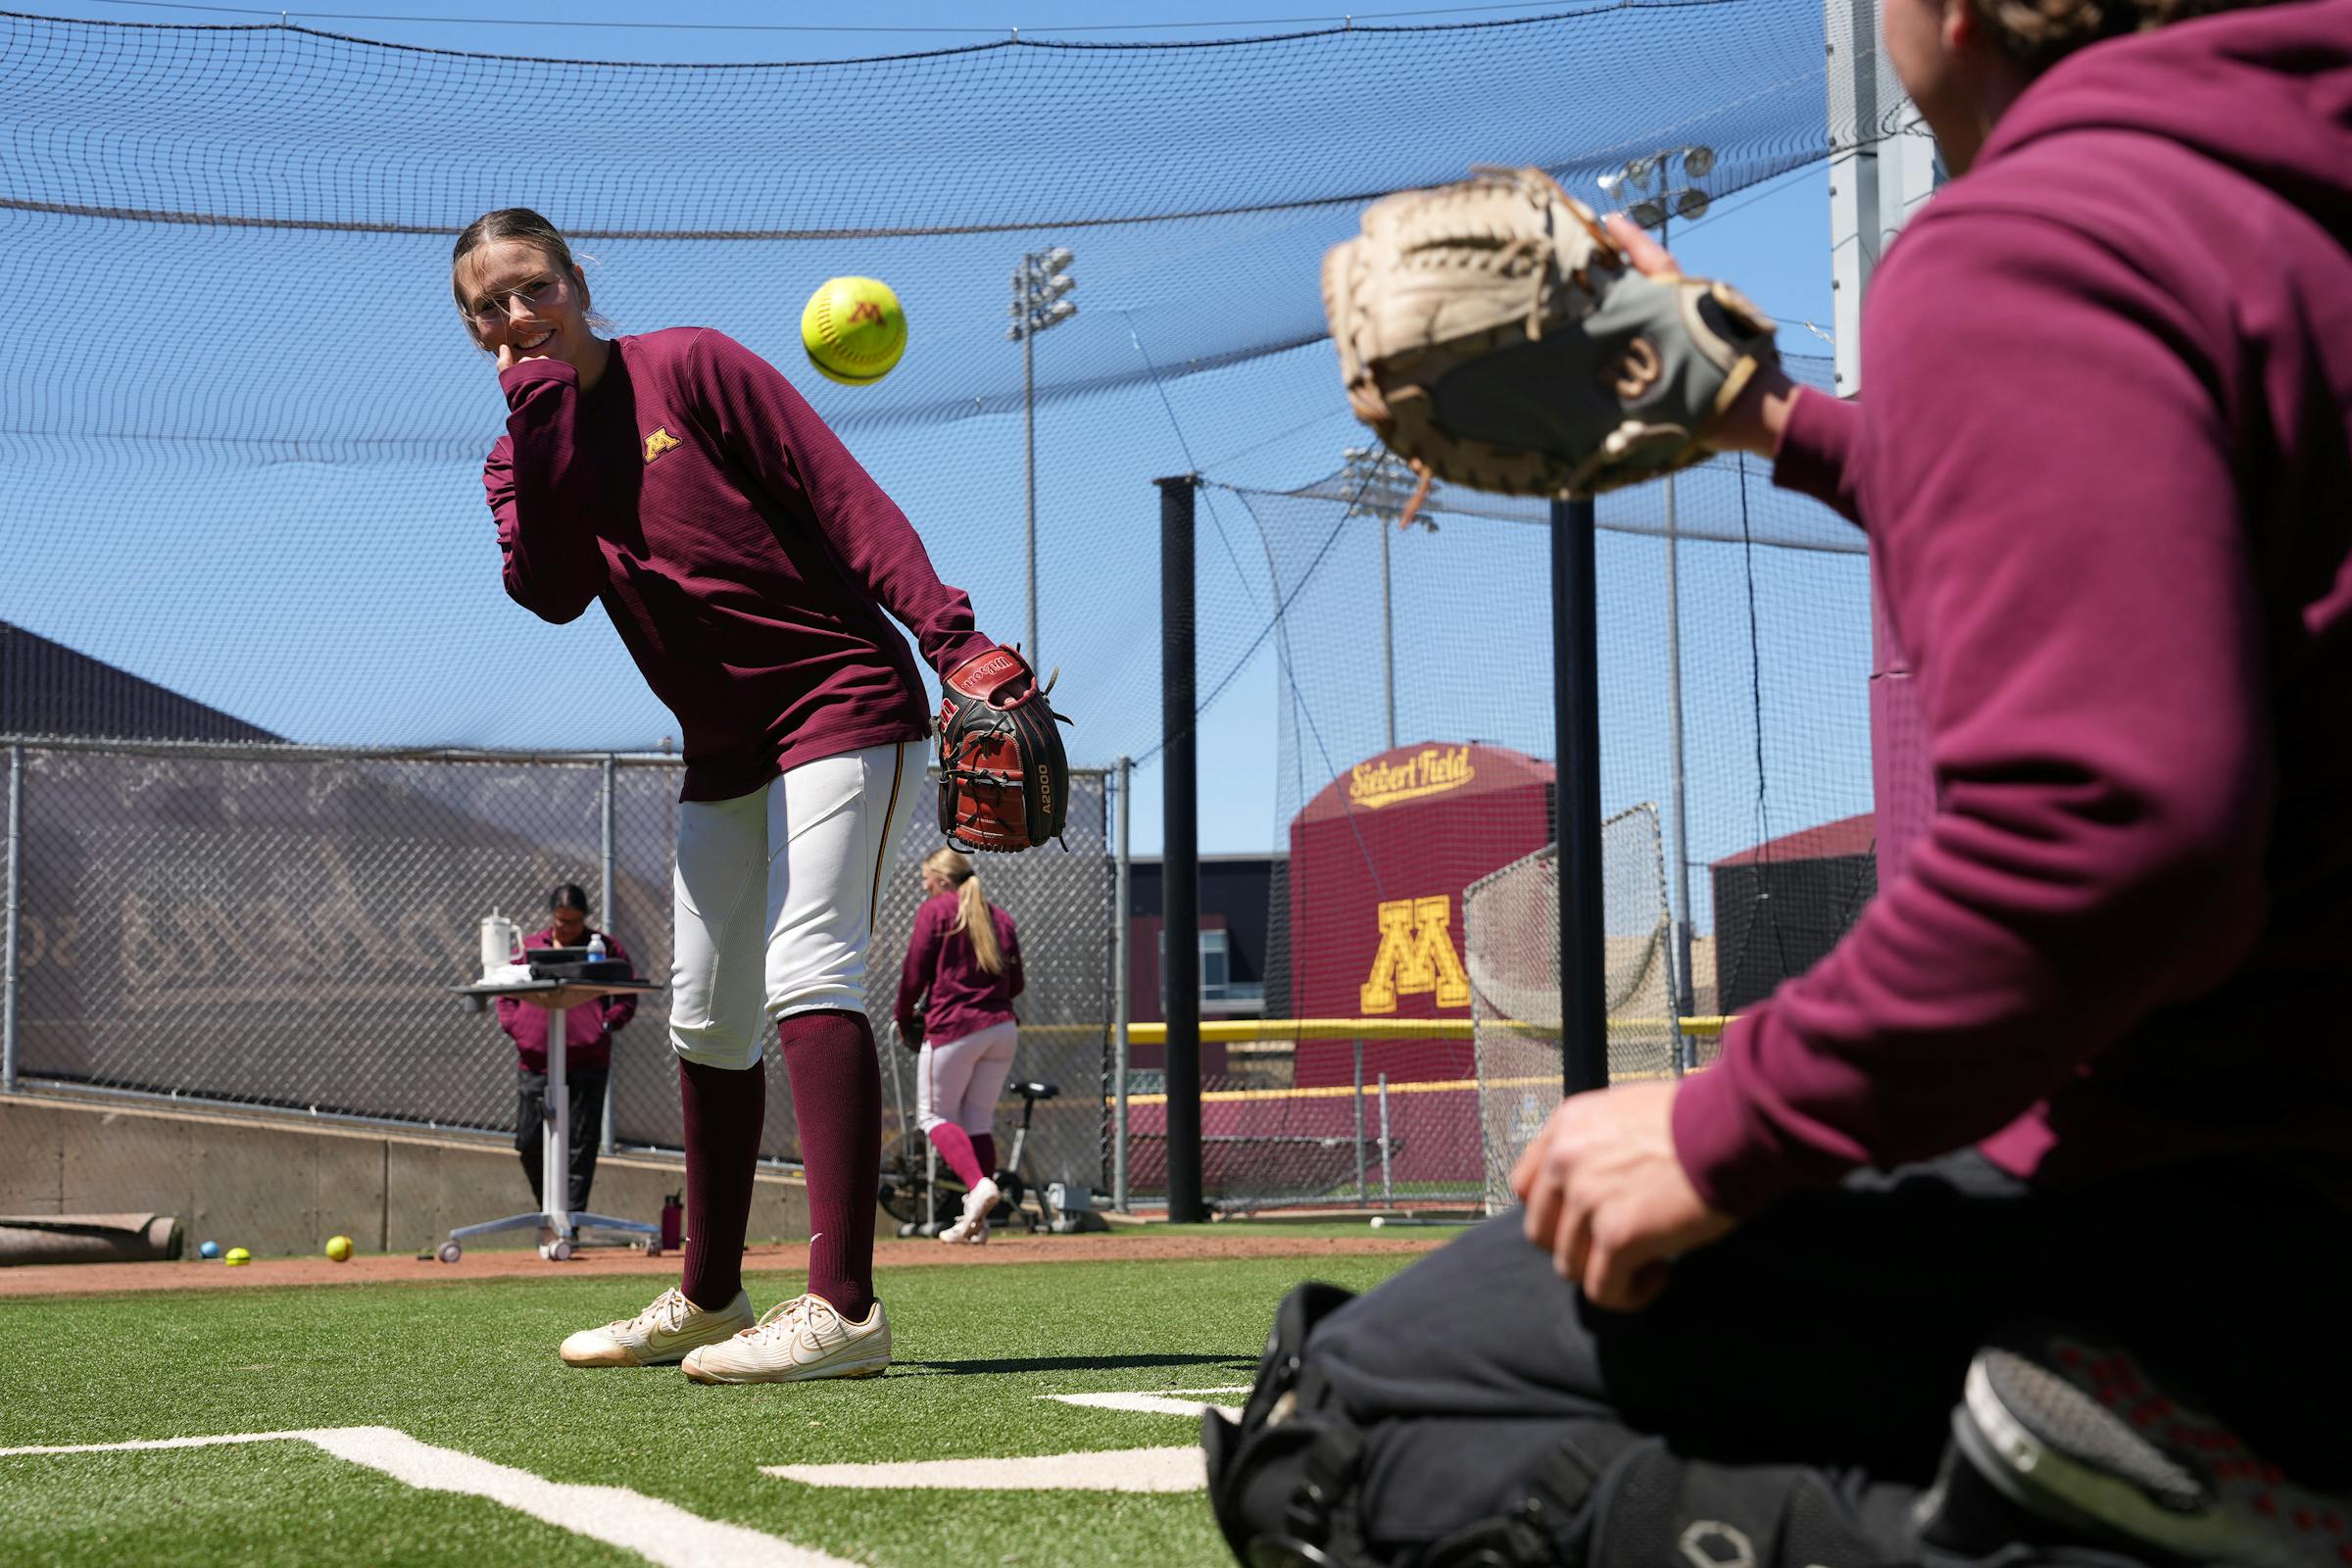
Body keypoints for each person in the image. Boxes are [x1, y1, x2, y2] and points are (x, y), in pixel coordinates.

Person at [1205, 0, 2352, 1563]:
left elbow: (2117, 833)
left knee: (1342, 1430)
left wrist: (1732, 1121)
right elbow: (2185, 525)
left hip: (2238, 1224)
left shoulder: (2049, 229)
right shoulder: (2278, 187)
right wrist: (1770, 419)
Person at [456, 208, 1019, 1384]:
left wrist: (948, 638)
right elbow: (552, 591)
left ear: (575, 281)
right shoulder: (519, 449)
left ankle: (845, 1310)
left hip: (840, 699)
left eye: (533, 288)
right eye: (489, 307)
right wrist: (546, 419)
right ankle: (712, 1293)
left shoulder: (695, 365)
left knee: (813, 963)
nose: (517, 316)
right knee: (707, 1017)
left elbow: (840, 495)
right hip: (722, 746)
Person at [893, 847, 1025, 1245]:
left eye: (926, 880)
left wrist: (903, 1016)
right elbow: (1015, 984)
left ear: (943, 880)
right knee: (977, 1120)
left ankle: (978, 1185)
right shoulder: (999, 916)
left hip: (955, 1027)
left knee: (933, 1116)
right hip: (1002, 1028)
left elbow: (914, 973)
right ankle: (975, 1222)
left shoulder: (936, 911)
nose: (924, 887)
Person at [494, 882, 636, 1219]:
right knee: (529, 1143)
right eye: (560, 920)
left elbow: (627, 993)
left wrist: (605, 1023)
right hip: (536, 1062)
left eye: (573, 921)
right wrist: (516, 1027)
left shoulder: (603, 947)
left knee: (580, 1147)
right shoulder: (530, 948)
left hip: (587, 1063)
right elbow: (506, 990)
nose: (566, 928)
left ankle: (568, 1223)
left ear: (585, 918)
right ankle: (550, 1211)